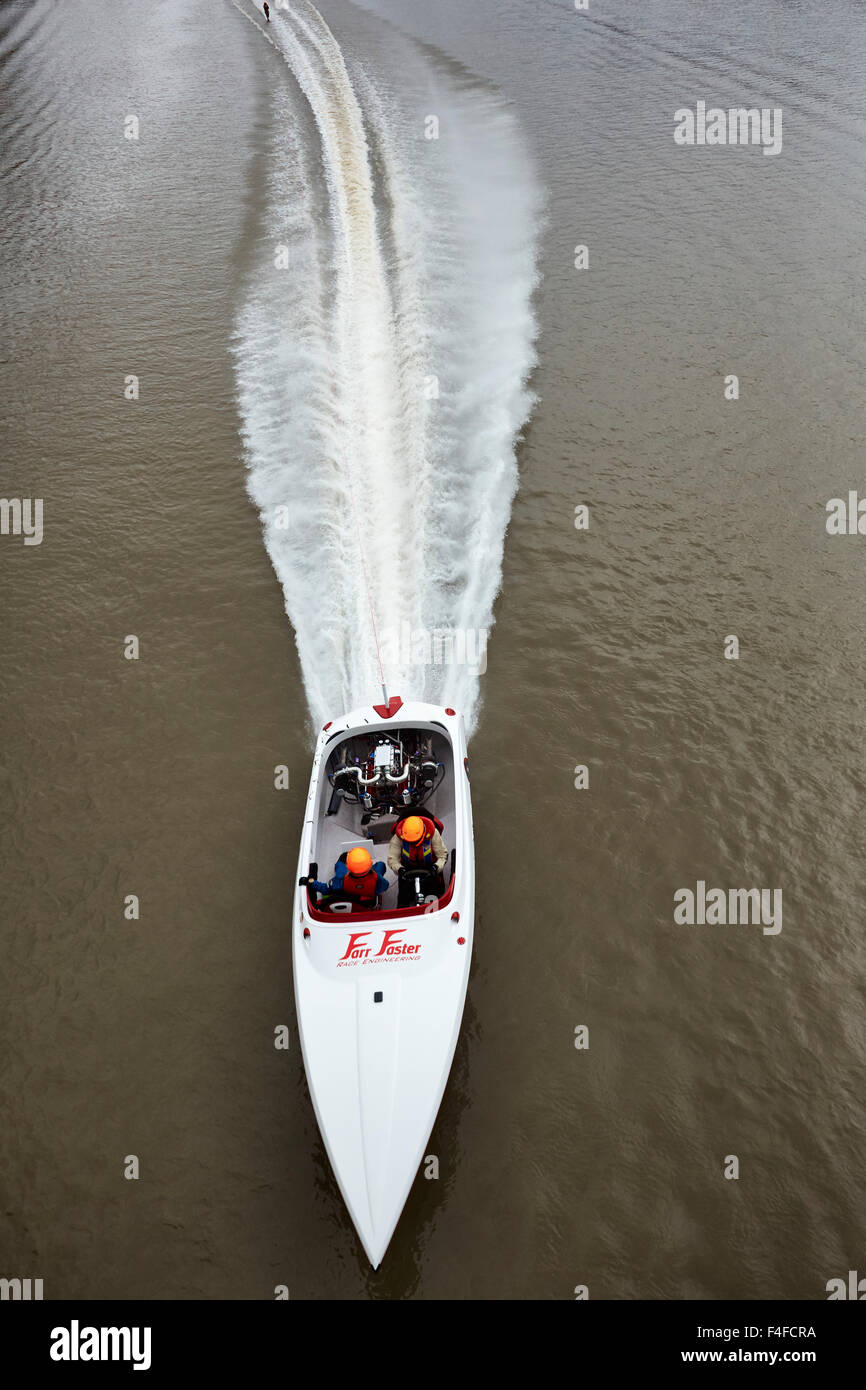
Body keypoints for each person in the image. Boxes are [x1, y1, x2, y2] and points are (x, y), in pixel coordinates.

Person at [305, 847, 388, 909]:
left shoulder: (341, 879)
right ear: (370, 866)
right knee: (381, 865)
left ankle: (343, 861)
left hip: (349, 891)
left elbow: (325, 889)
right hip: (365, 903)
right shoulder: (377, 879)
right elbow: (385, 886)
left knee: (340, 864)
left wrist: (311, 882)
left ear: (348, 867)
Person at [388, 814, 448, 880]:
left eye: (415, 840)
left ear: (423, 833)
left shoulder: (433, 833)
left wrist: (436, 867)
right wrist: (399, 869)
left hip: (431, 869)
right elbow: (392, 859)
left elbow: (442, 856)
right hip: (406, 871)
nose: (413, 843)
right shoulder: (397, 837)